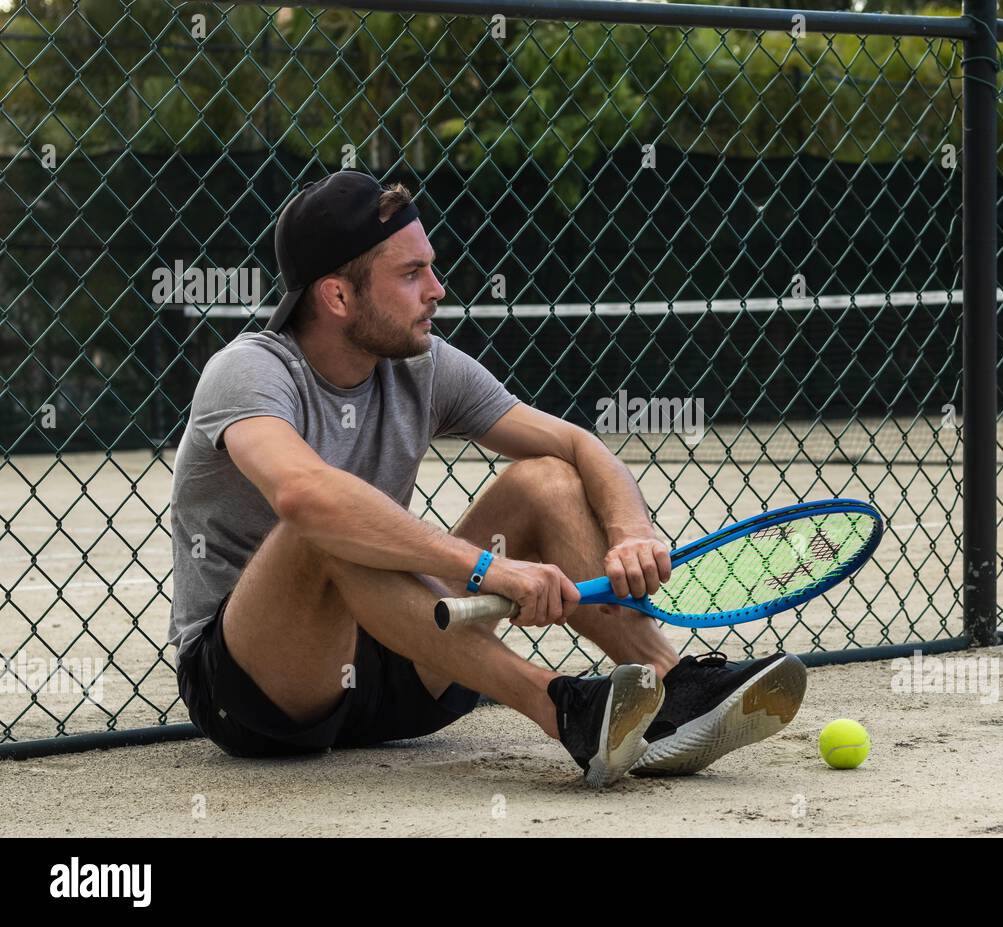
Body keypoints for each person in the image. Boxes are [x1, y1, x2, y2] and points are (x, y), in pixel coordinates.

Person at [169, 170, 806, 788]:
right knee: (321, 522)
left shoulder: (423, 364)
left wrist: (629, 531)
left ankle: (673, 687)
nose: (437, 289)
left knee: (545, 479)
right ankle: (563, 710)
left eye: (431, 267)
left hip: (408, 660)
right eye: (412, 273)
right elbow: (305, 495)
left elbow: (579, 444)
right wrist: (490, 570)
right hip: (261, 693)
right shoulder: (248, 371)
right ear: (337, 295)